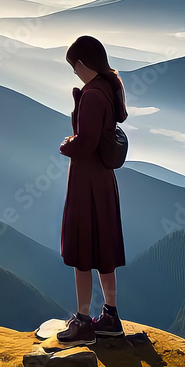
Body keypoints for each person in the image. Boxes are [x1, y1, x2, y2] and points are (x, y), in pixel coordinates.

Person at [55, 35, 128, 345]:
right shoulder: (108, 90)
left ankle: (83, 321)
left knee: (82, 250)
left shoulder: (93, 96)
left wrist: (66, 145)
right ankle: (110, 316)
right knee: (104, 249)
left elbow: (86, 142)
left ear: (83, 63)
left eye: (75, 67)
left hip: (86, 182)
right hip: (103, 180)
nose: (74, 73)